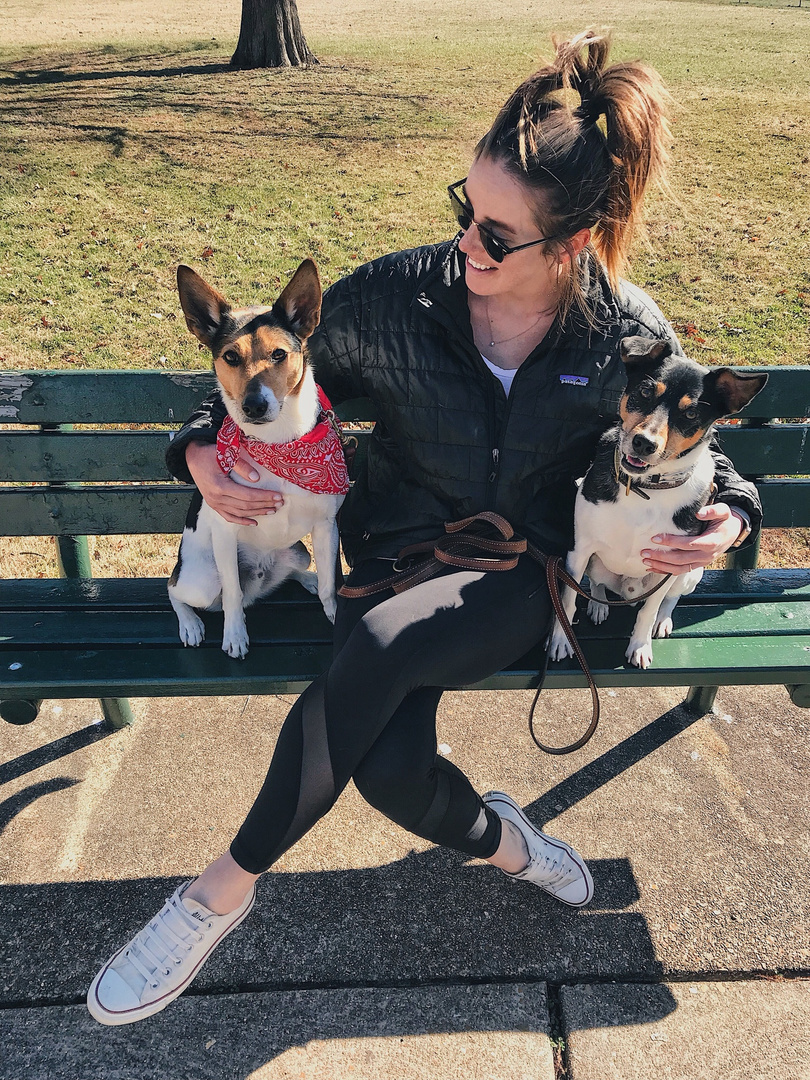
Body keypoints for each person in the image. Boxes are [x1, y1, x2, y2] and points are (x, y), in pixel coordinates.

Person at [87, 29, 761, 1026]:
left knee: (382, 649)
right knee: (394, 773)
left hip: (514, 573)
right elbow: (270, 375)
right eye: (466, 211)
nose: (467, 244)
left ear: (572, 243)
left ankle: (213, 894)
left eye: (497, 234)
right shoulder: (396, 300)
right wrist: (194, 449)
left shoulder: (620, 334)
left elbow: (711, 451)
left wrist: (730, 519)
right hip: (390, 546)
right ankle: (518, 847)